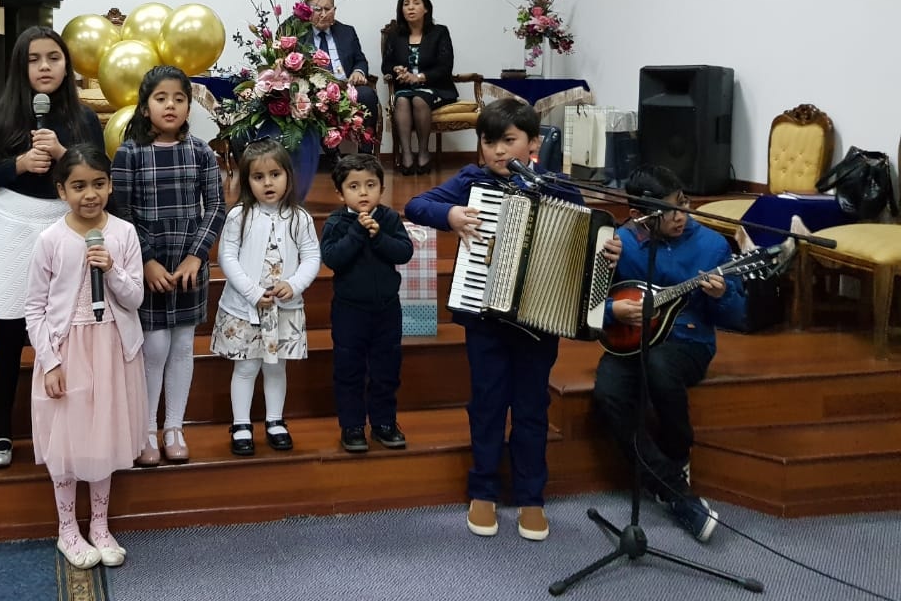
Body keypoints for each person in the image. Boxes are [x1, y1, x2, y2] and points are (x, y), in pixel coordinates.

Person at [404, 97, 620, 542]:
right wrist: (451, 214)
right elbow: (416, 206)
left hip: (540, 323)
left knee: (531, 408)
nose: (498, 152)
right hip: (484, 317)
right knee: (486, 404)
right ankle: (482, 489)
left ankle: (530, 496)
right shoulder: (472, 181)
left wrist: (609, 253)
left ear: (533, 143)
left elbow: (591, 247)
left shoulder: (560, 189)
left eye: (509, 141)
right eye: (489, 142)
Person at [0, 27, 105, 469]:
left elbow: (97, 175)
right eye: (34, 59)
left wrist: (64, 153)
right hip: (12, 225)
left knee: (68, 332)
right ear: (19, 66)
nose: (44, 67)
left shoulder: (84, 118)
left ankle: (68, 429)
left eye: (53, 58)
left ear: (67, 65)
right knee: (10, 332)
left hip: (63, 224)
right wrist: (18, 164)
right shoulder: (0, 115)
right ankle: (1, 433)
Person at [592, 164, 747, 544]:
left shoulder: (712, 246)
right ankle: (674, 488)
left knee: (659, 365)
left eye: (682, 204)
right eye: (667, 211)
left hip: (688, 343)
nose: (680, 216)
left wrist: (721, 295)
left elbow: (739, 315)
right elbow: (592, 305)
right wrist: (614, 311)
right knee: (608, 392)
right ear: (639, 216)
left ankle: (678, 453)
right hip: (631, 339)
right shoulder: (620, 244)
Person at [25, 144, 147, 570]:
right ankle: (66, 528)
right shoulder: (50, 240)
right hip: (66, 350)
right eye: (78, 186)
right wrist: (51, 361)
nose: (89, 194)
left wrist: (111, 268)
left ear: (110, 186)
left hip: (111, 347)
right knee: (69, 438)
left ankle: (99, 523)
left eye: (98, 184)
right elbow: (35, 308)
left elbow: (134, 298)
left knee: (102, 434)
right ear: (62, 191)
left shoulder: (124, 233)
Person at [111, 66, 226, 465]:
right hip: (149, 261)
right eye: (161, 99)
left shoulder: (200, 151)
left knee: (181, 345)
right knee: (154, 345)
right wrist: (146, 261)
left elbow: (215, 207)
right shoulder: (130, 153)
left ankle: (174, 426)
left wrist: (198, 255)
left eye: (178, 98)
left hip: (188, 259)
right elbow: (121, 210)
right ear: (144, 108)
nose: (170, 105)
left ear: (188, 105)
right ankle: (145, 430)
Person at [211, 139, 320, 456]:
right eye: (259, 177)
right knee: (245, 368)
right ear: (247, 181)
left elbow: (312, 256)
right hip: (246, 309)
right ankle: (241, 423)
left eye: (275, 174)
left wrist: (295, 284)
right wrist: (252, 292)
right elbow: (227, 257)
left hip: (283, 309)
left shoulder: (299, 217)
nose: (268, 183)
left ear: (288, 175)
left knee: (275, 368)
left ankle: (275, 420)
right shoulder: (238, 216)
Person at [320, 154, 414, 453]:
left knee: (387, 368)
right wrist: (358, 231)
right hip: (350, 311)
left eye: (371, 185)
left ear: (382, 188)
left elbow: (403, 252)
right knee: (349, 370)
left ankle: (385, 422)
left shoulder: (387, 218)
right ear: (340, 193)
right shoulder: (336, 222)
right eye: (354, 186)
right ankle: (352, 426)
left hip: (387, 309)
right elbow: (334, 258)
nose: (363, 192)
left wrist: (378, 236)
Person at [381, 0, 457, 176]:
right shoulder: (395, 35)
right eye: (406, 4)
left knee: (418, 99)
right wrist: (396, 70)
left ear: (426, 9)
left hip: (435, 87)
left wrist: (420, 77)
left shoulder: (439, 32)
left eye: (416, 3)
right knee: (401, 100)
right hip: (405, 88)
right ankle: (406, 153)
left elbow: (445, 67)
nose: (411, 8)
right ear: (401, 10)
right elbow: (386, 65)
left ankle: (423, 151)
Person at [305, 0, 379, 149]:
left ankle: (366, 152)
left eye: (328, 9)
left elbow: (360, 60)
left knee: (367, 95)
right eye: (318, 9)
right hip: (315, 89)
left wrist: (358, 72)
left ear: (334, 10)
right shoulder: (300, 35)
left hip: (346, 86)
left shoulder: (347, 32)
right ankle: (331, 154)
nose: (323, 14)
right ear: (308, 12)